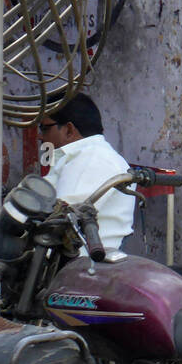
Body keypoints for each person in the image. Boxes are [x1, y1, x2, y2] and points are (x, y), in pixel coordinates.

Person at [40, 93, 136, 251]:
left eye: (44, 128)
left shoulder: (94, 159)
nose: (40, 136)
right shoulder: (76, 158)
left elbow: (57, 223)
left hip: (83, 267)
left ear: (69, 130)